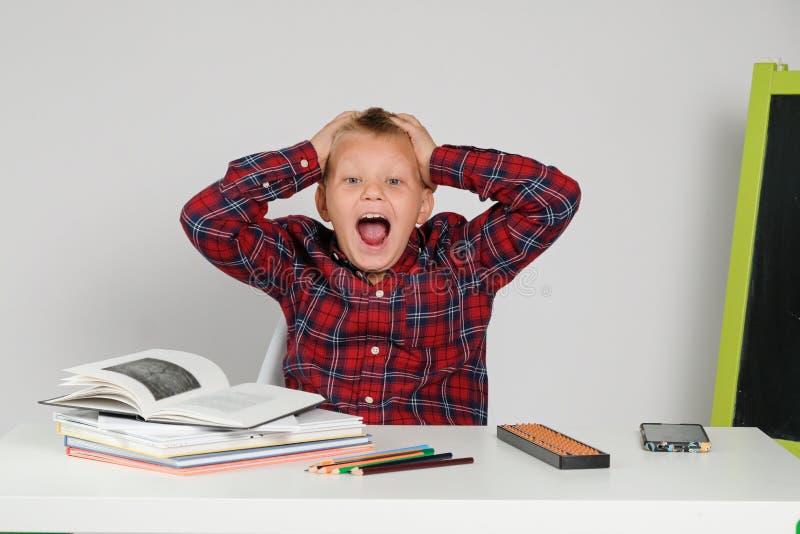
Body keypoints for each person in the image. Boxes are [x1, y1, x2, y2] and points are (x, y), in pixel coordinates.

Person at [180, 107, 580, 425]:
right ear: (323, 203)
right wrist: (307, 158)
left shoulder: (464, 259)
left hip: (435, 476)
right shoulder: (298, 257)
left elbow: (554, 199)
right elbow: (206, 221)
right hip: (320, 473)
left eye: (394, 182)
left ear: (423, 205)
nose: (372, 192)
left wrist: (438, 161)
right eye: (352, 180)